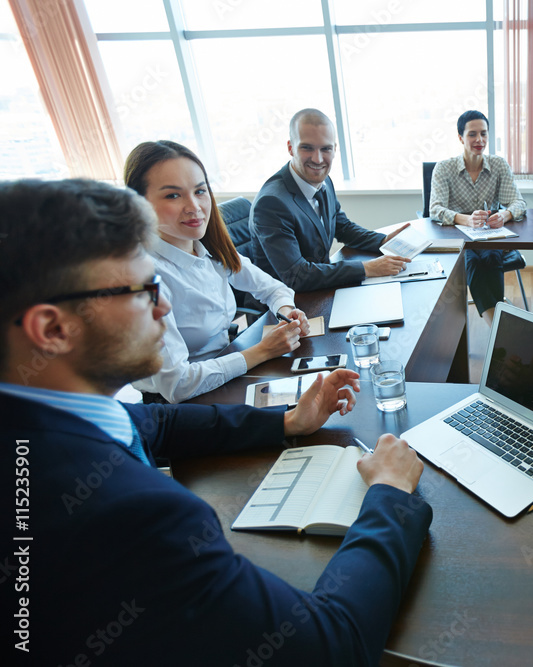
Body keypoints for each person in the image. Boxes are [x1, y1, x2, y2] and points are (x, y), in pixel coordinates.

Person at [1, 178, 432, 666]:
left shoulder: (41, 409)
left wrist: (288, 421)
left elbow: (152, 423)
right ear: (53, 329)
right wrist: (391, 494)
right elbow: (333, 648)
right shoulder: (133, 518)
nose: (165, 307)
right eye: (145, 291)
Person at [124, 140, 305, 403]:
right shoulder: (145, 279)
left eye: (199, 191)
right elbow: (178, 385)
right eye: (173, 195)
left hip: (228, 372)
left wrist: (288, 313)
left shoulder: (207, 247)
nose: (194, 207)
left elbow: (273, 288)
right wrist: (263, 351)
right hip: (182, 405)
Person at [250, 108, 411, 290]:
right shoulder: (272, 203)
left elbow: (343, 227)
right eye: (307, 148)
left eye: (325, 149)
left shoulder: (324, 180)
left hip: (321, 289)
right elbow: (297, 276)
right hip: (287, 306)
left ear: (335, 149)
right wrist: (367, 268)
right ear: (290, 148)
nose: (318, 159)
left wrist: (383, 241)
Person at [429, 110, 527, 326]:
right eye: (472, 134)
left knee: (490, 256)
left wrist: (504, 214)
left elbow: (519, 203)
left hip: (489, 236)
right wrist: (465, 219)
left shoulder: (499, 165)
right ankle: (499, 328)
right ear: (460, 137)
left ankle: (497, 329)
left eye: (483, 134)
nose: (479, 140)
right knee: (472, 259)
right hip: (457, 238)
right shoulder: (444, 169)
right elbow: (435, 209)